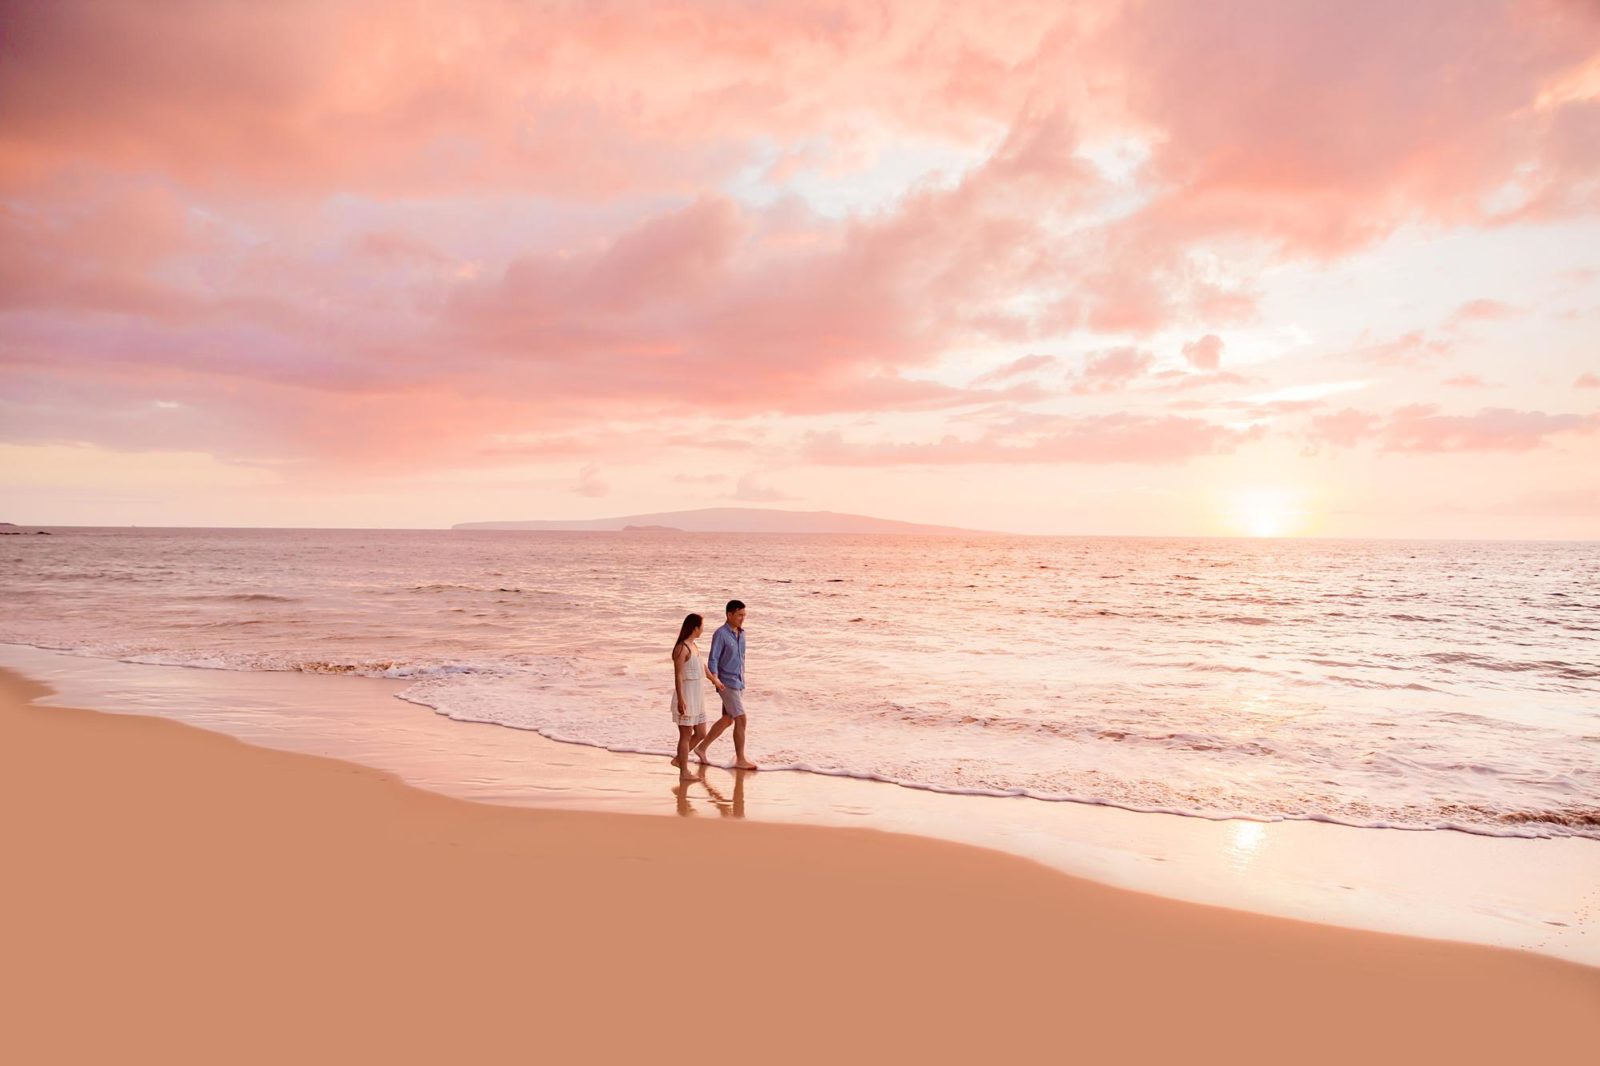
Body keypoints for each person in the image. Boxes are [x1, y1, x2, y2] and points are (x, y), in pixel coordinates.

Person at [695, 599, 758, 770]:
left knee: (728, 719)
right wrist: (715, 679)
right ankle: (740, 759)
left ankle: (701, 748)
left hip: (738, 681)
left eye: (744, 615)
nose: (742, 619)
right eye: (739, 615)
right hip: (725, 682)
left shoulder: (742, 633)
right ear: (729, 614)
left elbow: (741, 659)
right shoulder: (720, 634)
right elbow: (713, 658)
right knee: (741, 718)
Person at [668, 613, 717, 776]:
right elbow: (678, 675)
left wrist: (714, 680)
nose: (703, 630)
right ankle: (684, 771)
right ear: (695, 627)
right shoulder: (681, 648)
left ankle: (678, 759)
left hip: (697, 695)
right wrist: (681, 699)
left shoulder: (694, 646)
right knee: (686, 734)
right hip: (686, 694)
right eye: (702, 626)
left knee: (701, 732)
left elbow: (702, 666)